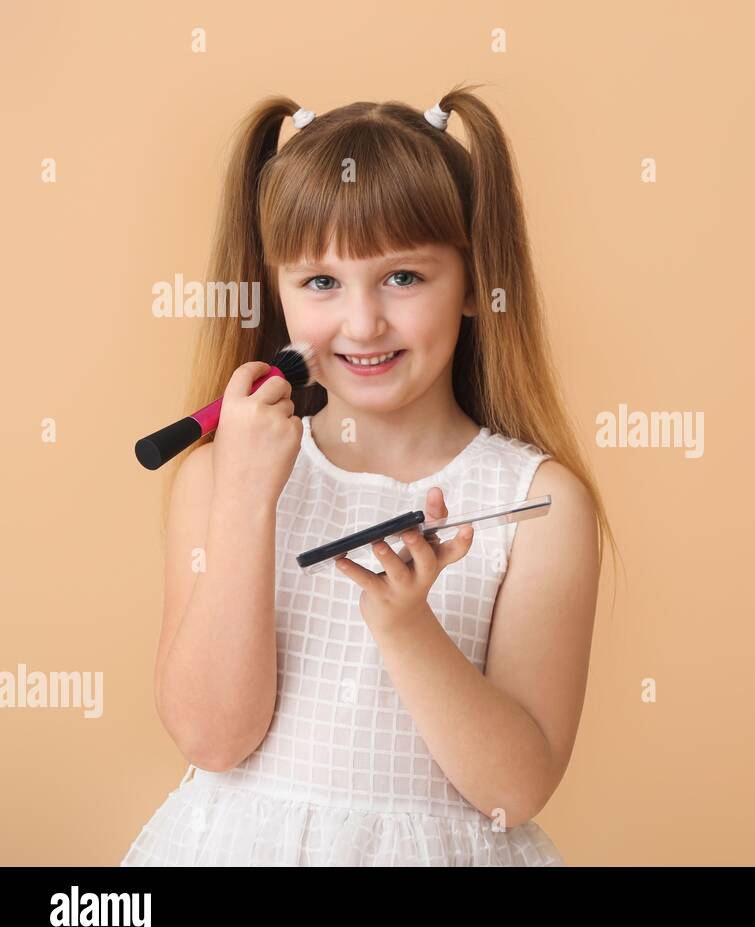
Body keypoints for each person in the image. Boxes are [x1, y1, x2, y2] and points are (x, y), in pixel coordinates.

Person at [121, 85, 615, 865]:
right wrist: (247, 498)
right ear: (277, 292)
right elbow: (212, 738)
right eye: (320, 282)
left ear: (476, 281)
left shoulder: (537, 505)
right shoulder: (219, 479)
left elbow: (512, 793)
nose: (361, 323)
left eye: (403, 278)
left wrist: (407, 629)